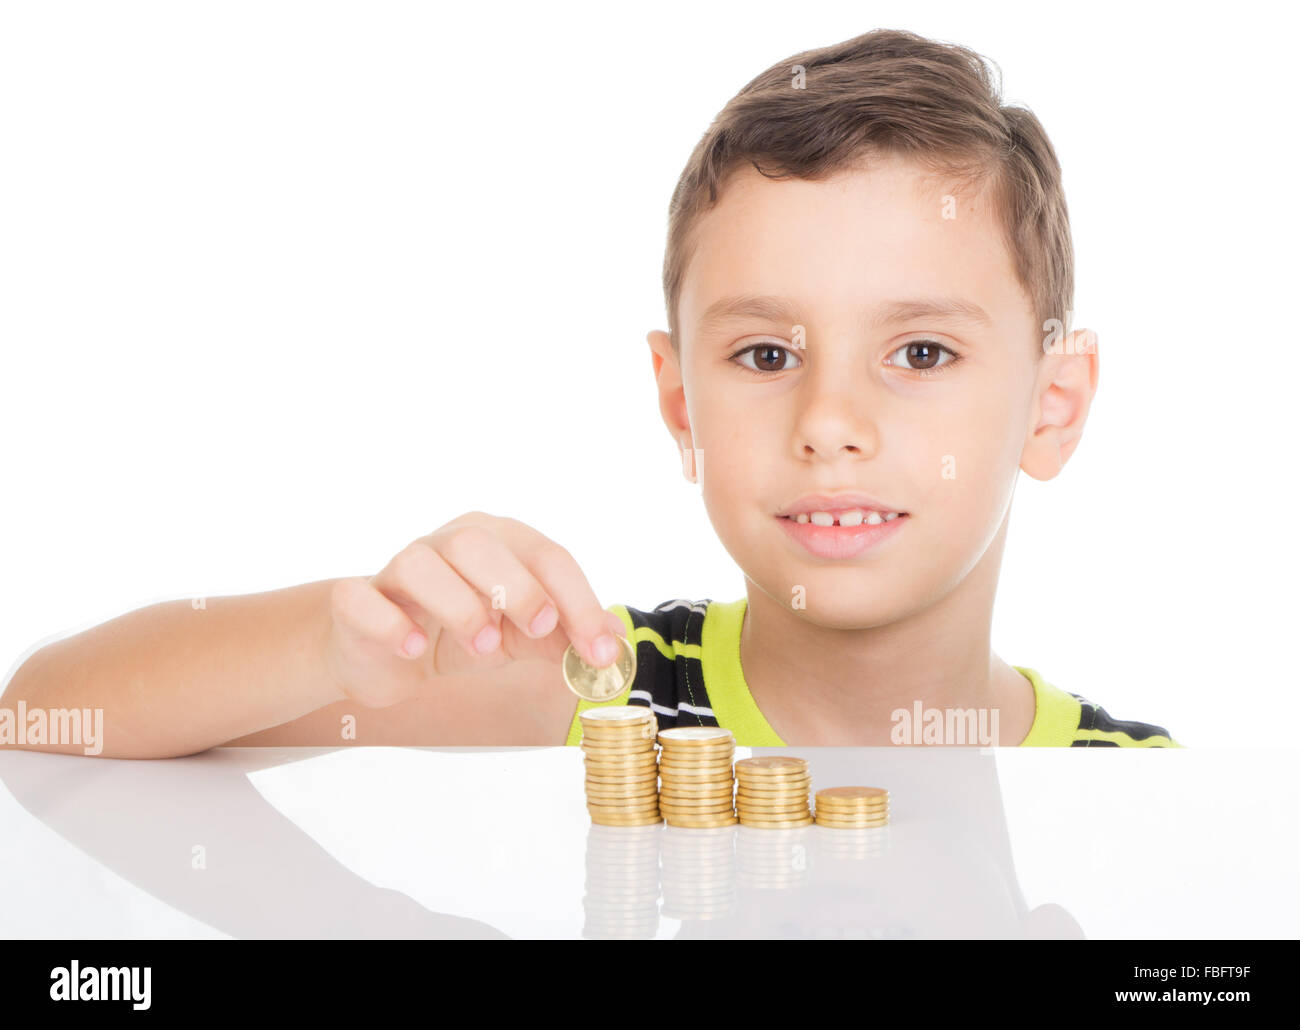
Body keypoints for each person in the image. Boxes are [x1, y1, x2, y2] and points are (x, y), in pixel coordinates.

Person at [0, 28, 1180, 758]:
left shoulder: (1145, 796)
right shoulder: (602, 694)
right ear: (679, 406)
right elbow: (45, 713)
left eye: (920, 354)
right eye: (765, 355)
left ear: (1052, 404)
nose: (827, 424)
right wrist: (332, 642)